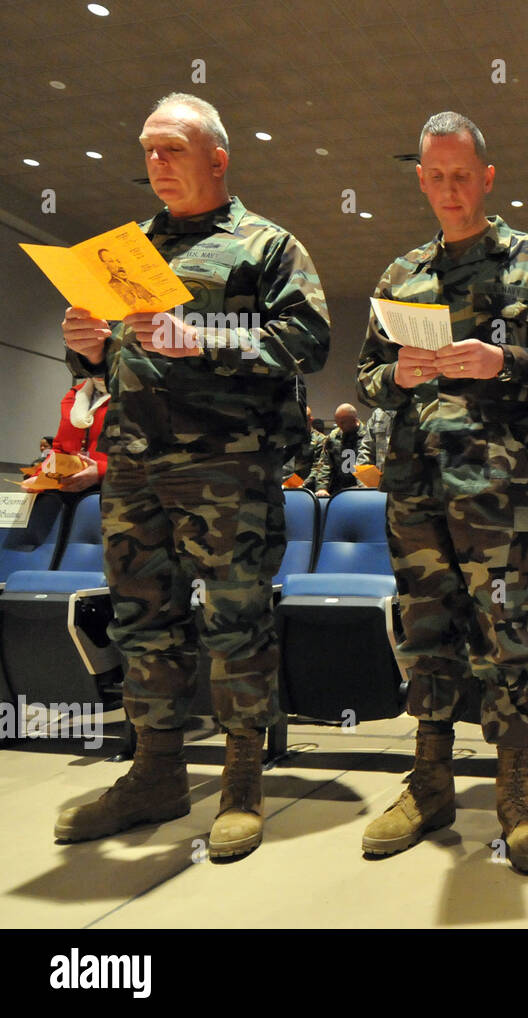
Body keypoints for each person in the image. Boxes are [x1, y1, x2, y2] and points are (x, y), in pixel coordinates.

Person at [56, 92, 330, 859]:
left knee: (235, 624)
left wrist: (202, 337)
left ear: (217, 157)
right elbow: (112, 355)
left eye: (171, 149)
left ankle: (243, 781)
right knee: (144, 622)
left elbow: (308, 340)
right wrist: (84, 343)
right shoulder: (125, 249)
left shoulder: (264, 245)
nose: (155, 164)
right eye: (146, 150)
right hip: (136, 464)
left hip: (226, 468)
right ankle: (156, 772)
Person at [356, 112, 528, 873]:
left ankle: (514, 792)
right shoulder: (400, 276)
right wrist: (392, 377)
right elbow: (366, 377)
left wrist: (507, 362)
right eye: (436, 175)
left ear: (486, 177)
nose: (450, 189)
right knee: (425, 634)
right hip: (416, 488)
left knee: (507, 637)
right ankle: (429, 781)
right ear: (421, 177)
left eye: (463, 175)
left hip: (502, 492)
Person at [53, 377, 111, 493]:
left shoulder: (142, 393)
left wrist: (102, 471)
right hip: (69, 489)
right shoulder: (75, 394)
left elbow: (154, 457)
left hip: (118, 493)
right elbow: (60, 447)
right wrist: (39, 475)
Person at [283, 403, 326, 485]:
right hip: (287, 485)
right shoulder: (289, 438)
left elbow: (318, 467)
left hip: (308, 487)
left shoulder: (320, 440)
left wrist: (302, 485)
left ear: (310, 420)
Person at [357, 406, 396, 475]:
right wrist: (366, 479)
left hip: (412, 482)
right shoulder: (378, 414)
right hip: (382, 482)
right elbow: (366, 449)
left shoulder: (419, 408)